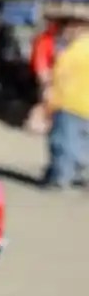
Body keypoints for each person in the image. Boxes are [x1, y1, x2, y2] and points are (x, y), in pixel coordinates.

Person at [44, 19, 89, 190]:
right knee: (82, 142)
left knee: (63, 142)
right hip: (85, 105)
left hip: (69, 103)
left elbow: (59, 77)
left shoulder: (73, 52)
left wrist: (51, 100)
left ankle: (60, 178)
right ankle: (79, 174)